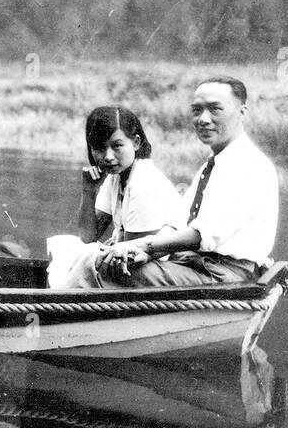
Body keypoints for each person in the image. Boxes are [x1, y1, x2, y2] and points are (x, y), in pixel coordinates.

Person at [91, 76, 278, 287]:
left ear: (242, 111)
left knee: (109, 270)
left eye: (215, 109)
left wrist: (143, 246)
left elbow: (201, 235)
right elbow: (182, 223)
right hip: (199, 263)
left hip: (227, 273)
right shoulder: (215, 164)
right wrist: (146, 253)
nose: (203, 119)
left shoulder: (248, 165)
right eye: (197, 110)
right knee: (114, 262)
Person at [46, 106, 183, 288]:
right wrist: (88, 190)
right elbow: (88, 236)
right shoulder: (116, 176)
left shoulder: (142, 182)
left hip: (161, 267)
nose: (108, 157)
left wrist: (105, 249)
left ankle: (55, 305)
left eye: (117, 146)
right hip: (130, 257)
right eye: (99, 148)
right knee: (65, 245)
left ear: (136, 142)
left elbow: (132, 251)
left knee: (86, 259)